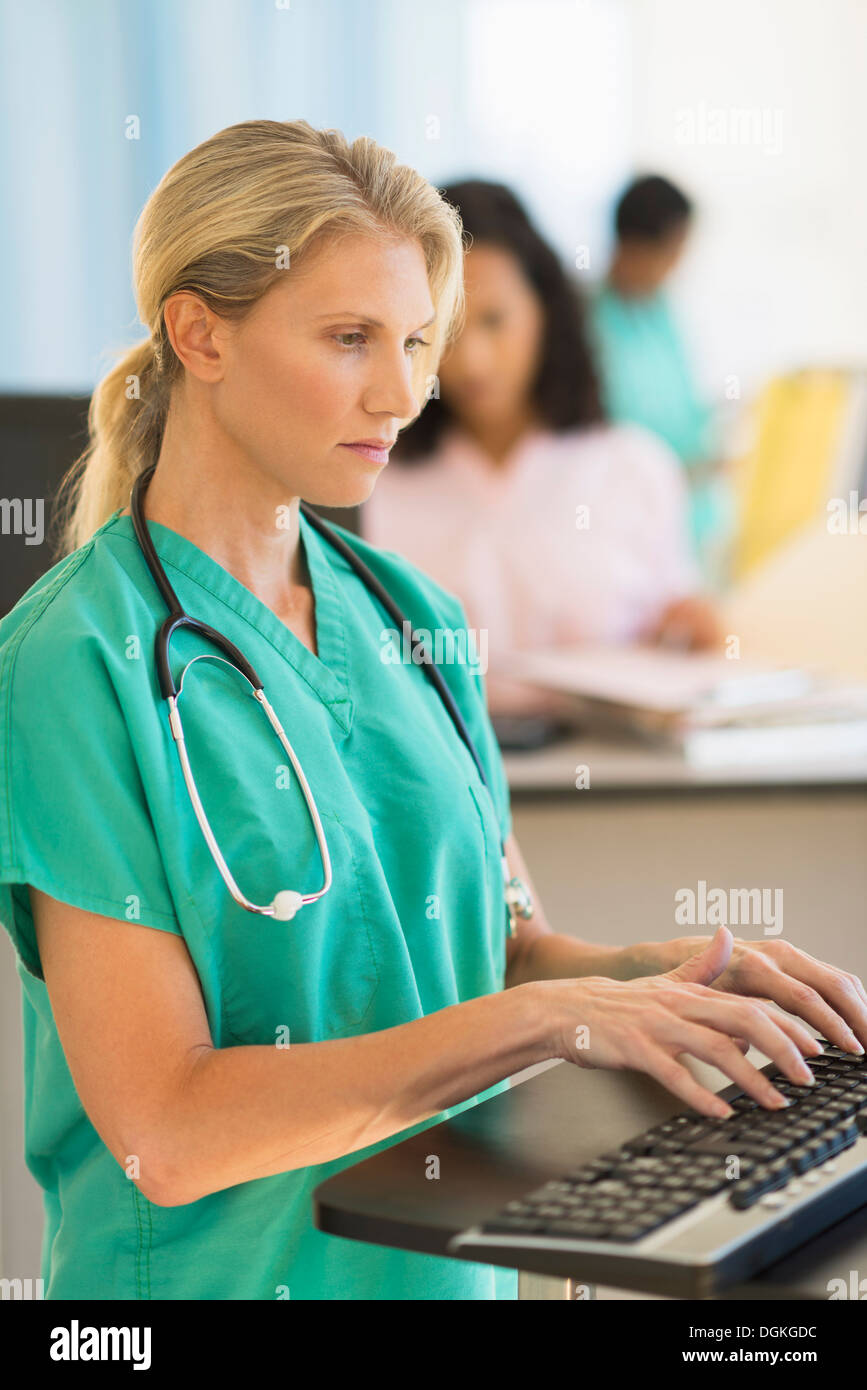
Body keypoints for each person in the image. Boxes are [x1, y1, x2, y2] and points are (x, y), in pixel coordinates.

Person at [1, 120, 864, 1303]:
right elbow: (170, 1127)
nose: (406, 390)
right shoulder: (72, 666)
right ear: (200, 331)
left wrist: (655, 982)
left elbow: (500, 953)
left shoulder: (415, 617)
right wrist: (557, 1020)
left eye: (416, 339)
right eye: (350, 338)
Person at [363, 180, 720, 717]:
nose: (472, 361)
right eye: (444, 332)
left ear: (546, 311)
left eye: (494, 320)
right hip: (436, 786)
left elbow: (681, 625)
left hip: (610, 782)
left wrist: (692, 632)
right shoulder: (373, 478)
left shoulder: (633, 467)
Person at [589, 174, 734, 585]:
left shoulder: (663, 311)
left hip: (695, 523)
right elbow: (606, 444)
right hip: (629, 526)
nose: (678, 265)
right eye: (674, 252)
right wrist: (691, 468)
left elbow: (685, 406)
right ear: (636, 247)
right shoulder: (588, 325)